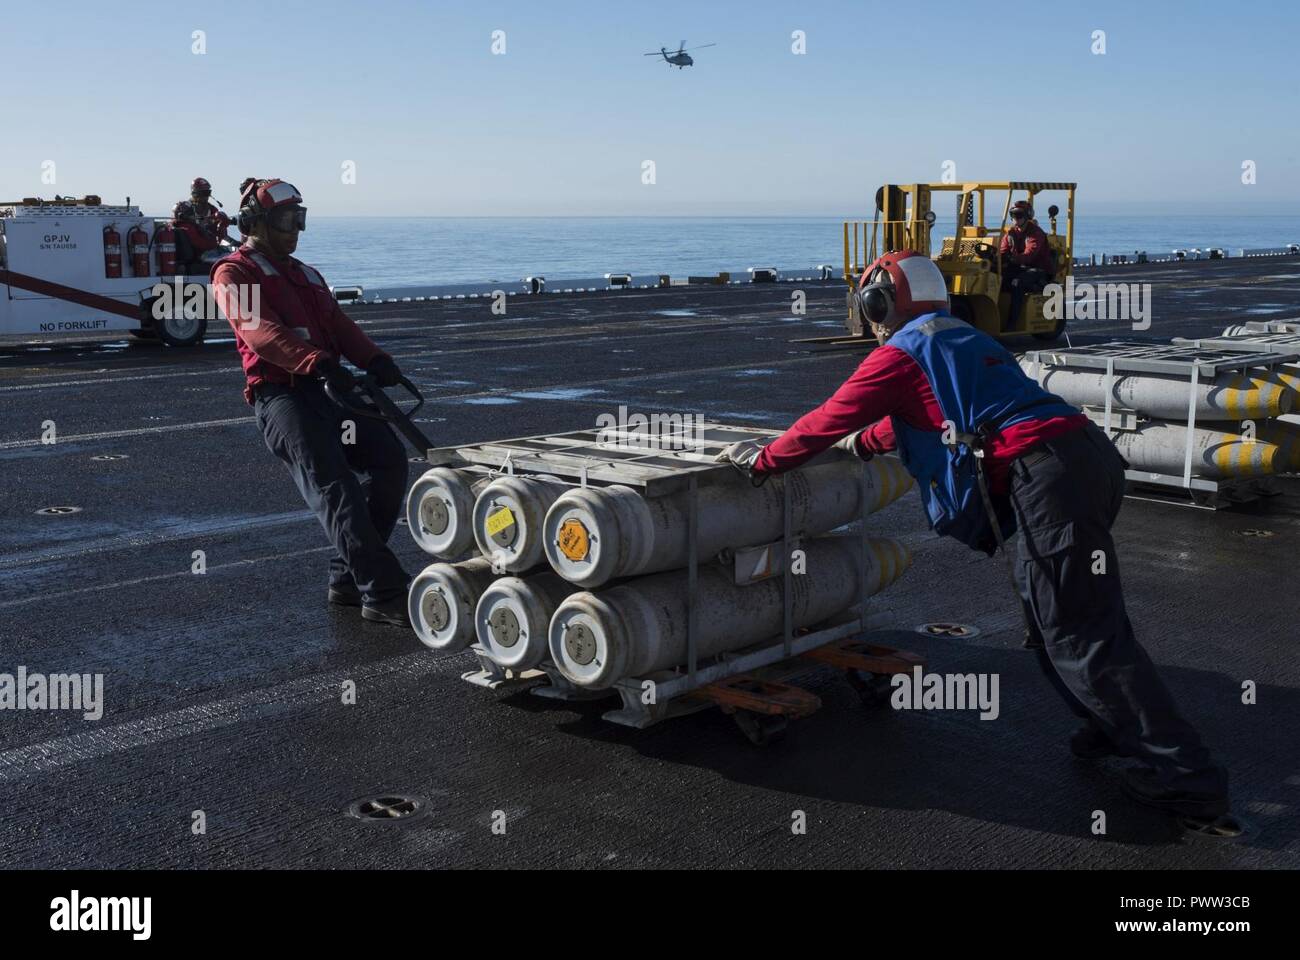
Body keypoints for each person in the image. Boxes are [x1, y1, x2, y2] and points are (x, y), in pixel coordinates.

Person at [715, 250, 1231, 828]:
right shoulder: (958, 336)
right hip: (1085, 458)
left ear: (879, 302)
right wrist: (865, 445)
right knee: (1058, 614)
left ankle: (1189, 780)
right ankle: (1111, 727)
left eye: (871, 305)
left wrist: (765, 461)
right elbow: (933, 412)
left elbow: (830, 416)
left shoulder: (899, 352)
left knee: (1080, 631)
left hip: (1050, 475)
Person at [210, 177, 412, 626]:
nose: (294, 229)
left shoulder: (307, 274)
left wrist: (375, 358)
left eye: (299, 219)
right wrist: (315, 361)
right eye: (285, 219)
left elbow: (339, 325)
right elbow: (258, 330)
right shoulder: (233, 273)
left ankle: (347, 577)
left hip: (328, 388)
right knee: (334, 487)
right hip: (283, 396)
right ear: (254, 222)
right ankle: (383, 590)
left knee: (389, 461)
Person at [999, 200, 1054, 325]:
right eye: (1013, 215)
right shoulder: (1010, 233)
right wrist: (996, 259)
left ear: (1027, 216)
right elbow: (1002, 250)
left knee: (1017, 283)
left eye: (1019, 215)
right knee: (996, 279)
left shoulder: (1036, 233)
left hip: (1038, 270)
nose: (1015, 218)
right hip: (1021, 268)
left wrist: (1011, 258)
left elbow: (1029, 256)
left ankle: (1012, 322)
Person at [173, 177, 233, 269]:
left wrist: (222, 224)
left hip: (214, 249)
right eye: (202, 193)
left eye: (208, 193)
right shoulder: (185, 212)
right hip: (200, 254)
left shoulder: (213, 210)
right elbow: (197, 242)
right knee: (228, 260)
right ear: (194, 194)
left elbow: (221, 235)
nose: (206, 196)